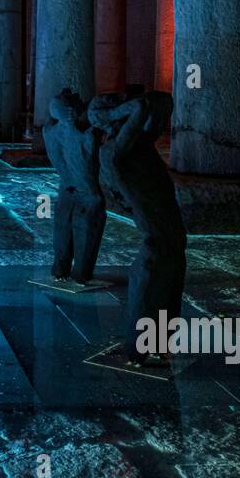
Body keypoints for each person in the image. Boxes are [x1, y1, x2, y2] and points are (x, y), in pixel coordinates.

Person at [86, 90, 186, 365]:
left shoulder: (138, 143)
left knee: (169, 281)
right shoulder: (114, 151)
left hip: (169, 233)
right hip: (155, 234)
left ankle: (160, 342)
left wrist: (118, 110)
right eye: (119, 109)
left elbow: (163, 101)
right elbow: (142, 105)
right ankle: (138, 348)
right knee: (152, 279)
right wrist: (119, 110)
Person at [41, 89, 105, 283]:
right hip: (88, 192)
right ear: (71, 111)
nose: (80, 99)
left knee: (62, 230)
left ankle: (60, 269)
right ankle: (82, 273)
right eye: (76, 100)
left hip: (65, 187)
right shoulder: (88, 136)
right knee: (86, 236)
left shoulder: (48, 132)